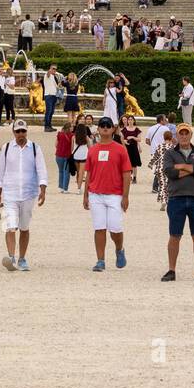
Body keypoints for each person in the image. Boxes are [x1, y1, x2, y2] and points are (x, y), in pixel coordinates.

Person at [0, 120, 48, 271]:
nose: (20, 134)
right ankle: (11, 257)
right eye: (18, 131)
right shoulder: (6, 148)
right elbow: (0, 172)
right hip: (10, 193)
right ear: (13, 132)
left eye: (23, 131)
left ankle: (22, 258)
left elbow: (41, 170)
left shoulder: (35, 148)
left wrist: (42, 190)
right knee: (10, 226)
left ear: (26, 131)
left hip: (28, 193)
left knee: (24, 227)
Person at [82, 116, 132, 272]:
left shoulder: (120, 149)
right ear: (98, 129)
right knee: (99, 227)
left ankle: (119, 248)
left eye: (108, 125)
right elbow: (88, 173)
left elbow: (126, 173)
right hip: (96, 193)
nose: (105, 128)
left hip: (114, 194)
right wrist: (85, 195)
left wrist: (125, 196)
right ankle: (100, 260)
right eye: (102, 125)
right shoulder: (93, 149)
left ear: (112, 129)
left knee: (115, 227)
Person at [162, 124, 194, 281]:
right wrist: (191, 169)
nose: (183, 136)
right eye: (181, 134)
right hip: (177, 197)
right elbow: (169, 172)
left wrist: (181, 166)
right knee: (174, 235)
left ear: (190, 135)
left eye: (186, 133)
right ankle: (171, 270)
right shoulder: (170, 153)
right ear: (177, 135)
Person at [119, 113, 142, 183]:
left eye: (131, 119)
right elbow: (121, 139)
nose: (130, 121)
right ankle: (129, 176)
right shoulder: (124, 129)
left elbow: (139, 139)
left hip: (134, 148)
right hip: (127, 148)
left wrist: (132, 137)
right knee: (128, 163)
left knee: (134, 164)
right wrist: (124, 142)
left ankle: (134, 177)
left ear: (134, 121)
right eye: (129, 119)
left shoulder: (137, 129)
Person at [54, 123, 74, 193]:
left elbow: (56, 144)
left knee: (61, 171)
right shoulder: (72, 135)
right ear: (69, 128)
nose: (73, 128)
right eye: (72, 127)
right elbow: (72, 147)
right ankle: (65, 188)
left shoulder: (59, 134)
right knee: (66, 172)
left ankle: (61, 187)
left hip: (58, 155)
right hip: (67, 156)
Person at [41, 64, 60, 132]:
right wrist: (50, 70)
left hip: (53, 95)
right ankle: (46, 126)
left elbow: (57, 87)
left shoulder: (53, 77)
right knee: (48, 111)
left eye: (55, 69)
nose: (55, 70)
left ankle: (49, 125)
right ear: (50, 69)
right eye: (53, 69)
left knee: (51, 111)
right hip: (49, 95)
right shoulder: (47, 75)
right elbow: (48, 73)